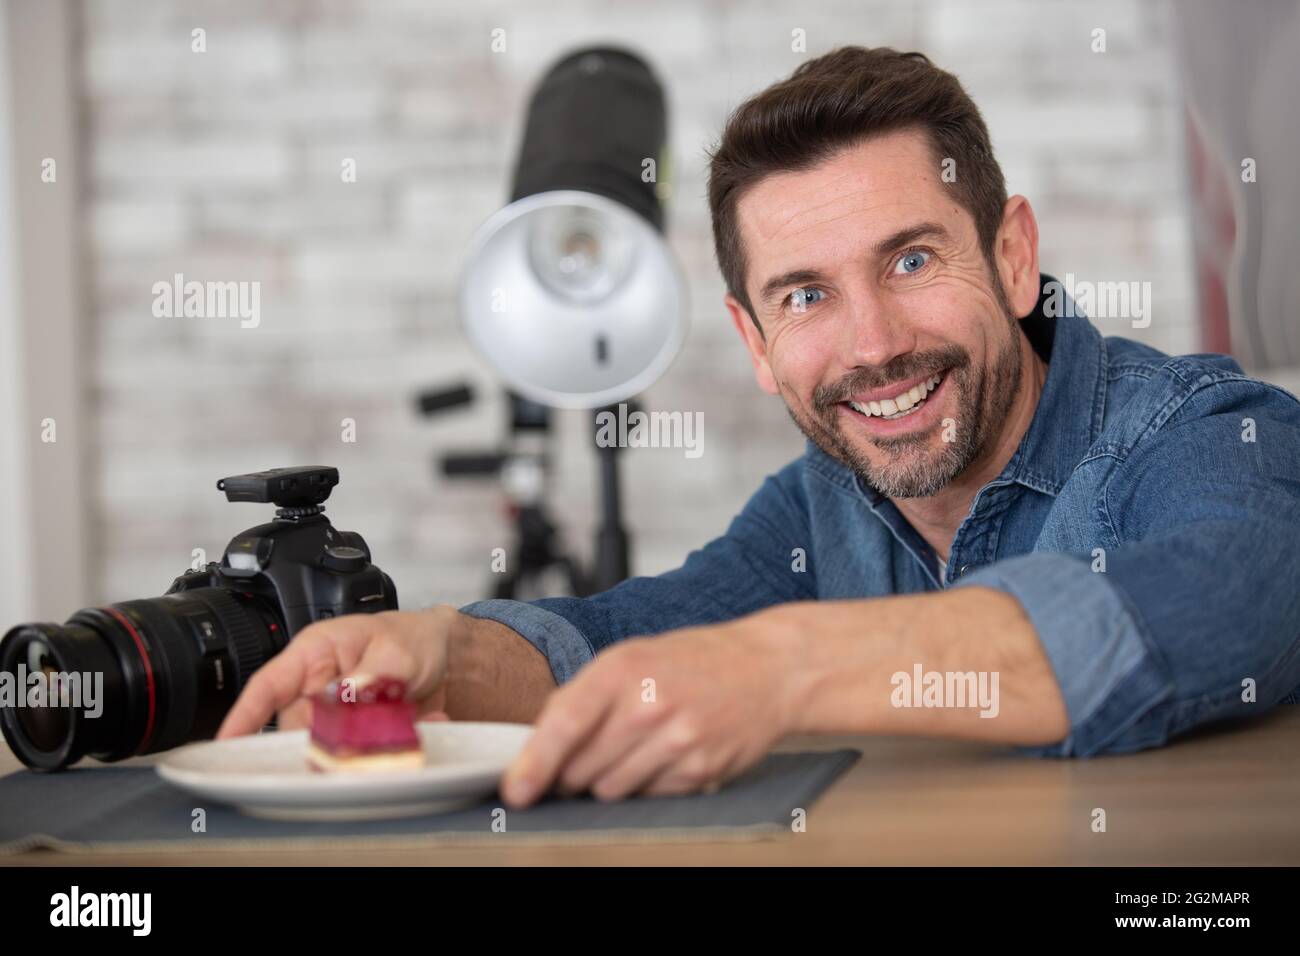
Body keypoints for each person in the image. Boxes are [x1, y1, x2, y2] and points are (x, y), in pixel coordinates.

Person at [217, 46, 1300, 808]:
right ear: (750, 336)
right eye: (805, 295)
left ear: (1012, 257)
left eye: (911, 261)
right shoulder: (820, 505)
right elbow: (629, 640)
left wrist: (782, 664)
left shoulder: (1206, 431)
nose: (872, 344)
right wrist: (453, 653)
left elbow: (1228, 593)